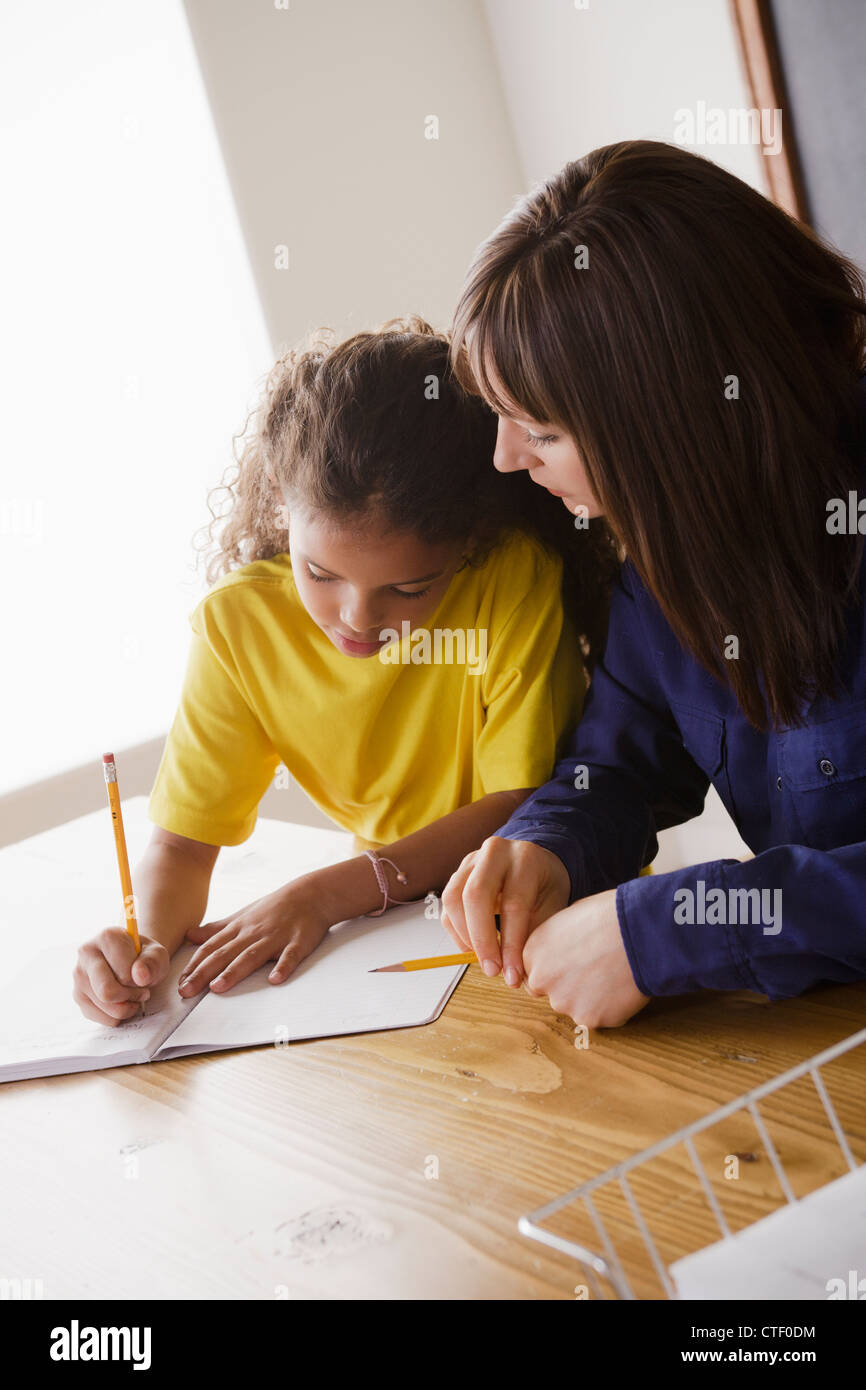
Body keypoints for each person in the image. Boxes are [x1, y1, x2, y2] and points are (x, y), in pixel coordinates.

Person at [72, 317, 619, 1026]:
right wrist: (140, 943)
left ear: (472, 538)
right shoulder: (239, 627)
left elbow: (519, 806)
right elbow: (181, 845)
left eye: (410, 589)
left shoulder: (513, 578)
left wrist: (329, 893)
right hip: (390, 938)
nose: (357, 619)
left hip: (550, 922)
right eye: (320, 573)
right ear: (279, 500)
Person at [439, 140, 866, 1028]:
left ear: (667, 419)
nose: (504, 458)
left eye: (539, 430)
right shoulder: (669, 555)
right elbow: (616, 763)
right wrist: (543, 845)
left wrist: (685, 923)